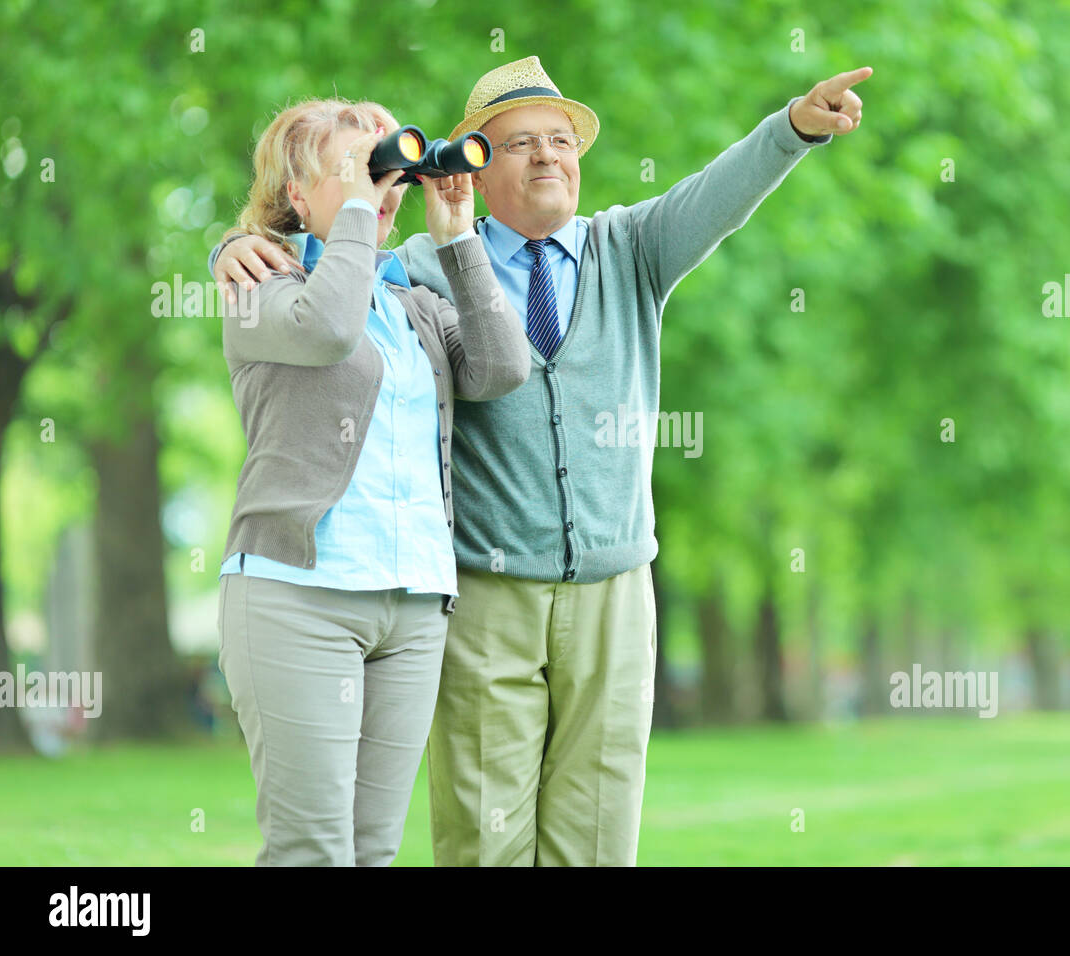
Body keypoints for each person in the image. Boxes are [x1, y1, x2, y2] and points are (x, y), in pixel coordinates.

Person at [212, 58, 870, 866]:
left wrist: (792, 130)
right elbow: (316, 290)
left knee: (596, 834)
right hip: (484, 589)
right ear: (477, 168)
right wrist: (237, 243)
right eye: (520, 143)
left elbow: (716, 196)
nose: (548, 155)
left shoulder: (625, 249)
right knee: (481, 833)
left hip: (610, 589)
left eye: (561, 140)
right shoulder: (413, 266)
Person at [214, 97, 529, 866]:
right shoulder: (262, 286)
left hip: (413, 604)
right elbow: (328, 329)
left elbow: (501, 368)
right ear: (297, 195)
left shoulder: (414, 304)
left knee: (372, 851)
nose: (382, 188)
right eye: (355, 169)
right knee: (312, 852)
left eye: (387, 171)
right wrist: (358, 205)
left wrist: (458, 243)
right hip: (298, 595)